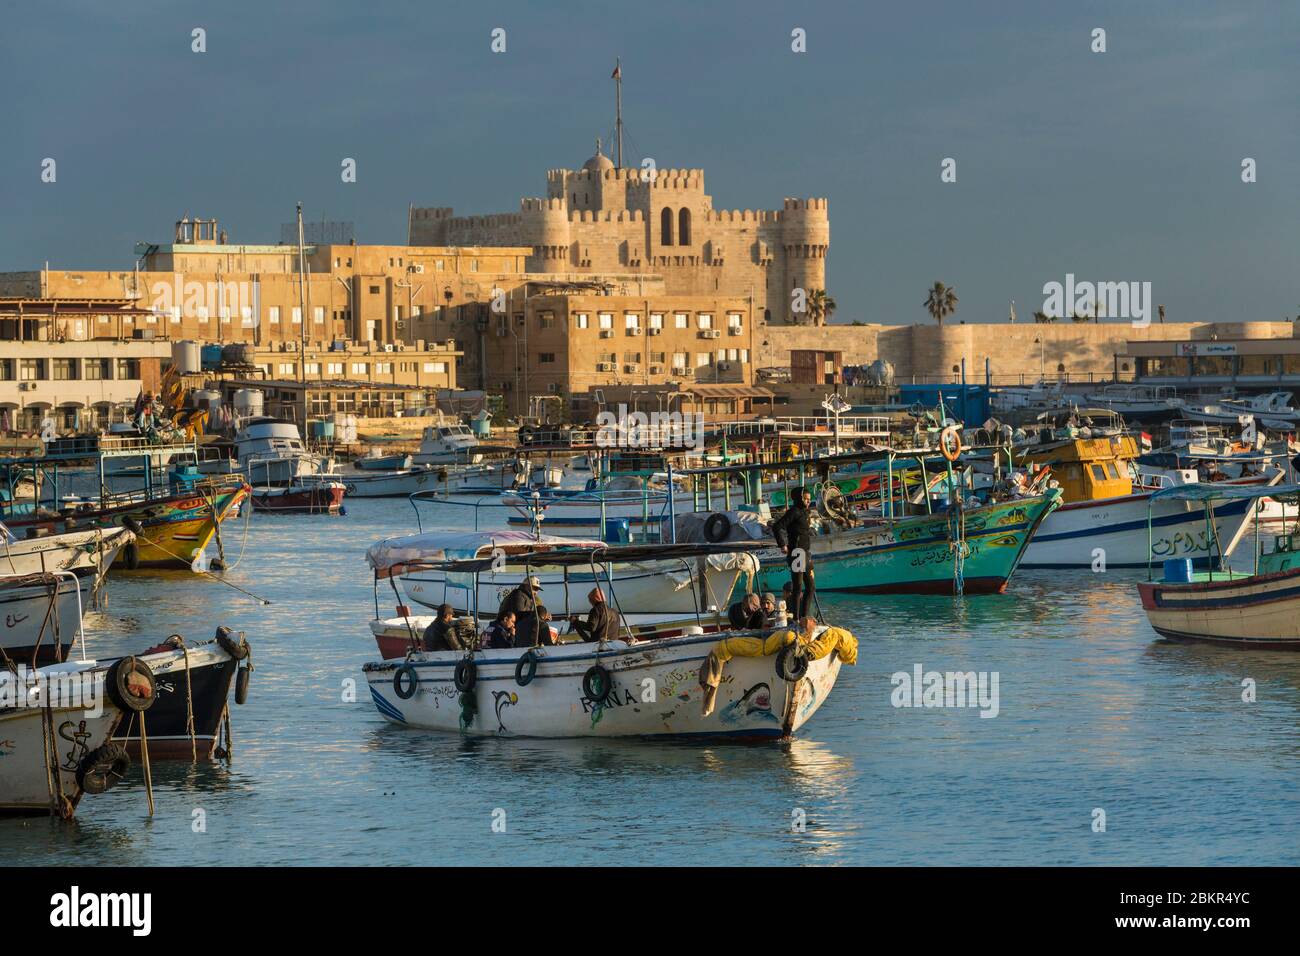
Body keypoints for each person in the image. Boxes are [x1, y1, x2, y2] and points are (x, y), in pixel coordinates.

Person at [770, 485, 815, 621]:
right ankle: (796, 619)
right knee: (798, 588)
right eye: (806, 499)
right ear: (799, 498)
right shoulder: (794, 511)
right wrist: (782, 544)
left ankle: (804, 616)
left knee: (811, 588)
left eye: (809, 499)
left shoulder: (805, 512)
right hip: (797, 553)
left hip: (806, 554)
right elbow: (777, 526)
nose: (808, 501)